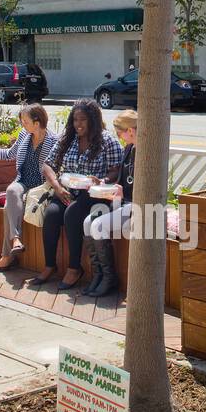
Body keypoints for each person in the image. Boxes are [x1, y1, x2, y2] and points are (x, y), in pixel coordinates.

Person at [38, 99, 122, 290]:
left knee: (72, 214)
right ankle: (50, 265)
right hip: (67, 191)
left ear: (93, 119)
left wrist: (102, 181)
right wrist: (57, 187)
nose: (78, 124)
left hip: (95, 194)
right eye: (75, 120)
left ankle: (74, 268)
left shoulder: (107, 141)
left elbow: (115, 171)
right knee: (51, 214)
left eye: (82, 120)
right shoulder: (68, 138)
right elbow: (48, 165)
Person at [0, 104, 58, 272]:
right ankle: (16, 239)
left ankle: (7, 256)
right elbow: (9, 154)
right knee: (11, 190)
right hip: (23, 182)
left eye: (25, 121)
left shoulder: (54, 141)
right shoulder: (25, 134)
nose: (22, 124)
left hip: (40, 188)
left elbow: (55, 169)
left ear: (37, 123)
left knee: (6, 209)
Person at [81, 110, 137, 297]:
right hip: (123, 202)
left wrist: (120, 193)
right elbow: (122, 181)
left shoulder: (145, 151)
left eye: (120, 133)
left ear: (130, 130)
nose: (119, 137)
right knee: (88, 221)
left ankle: (109, 277)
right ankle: (99, 274)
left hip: (137, 207)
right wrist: (104, 184)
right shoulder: (129, 148)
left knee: (97, 225)